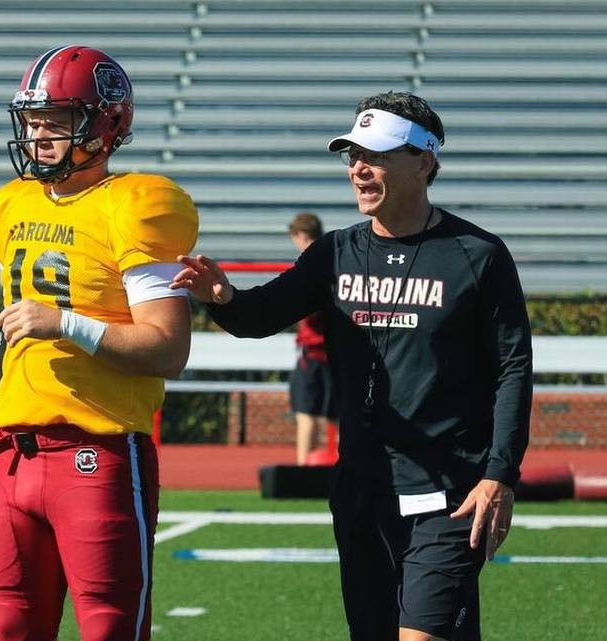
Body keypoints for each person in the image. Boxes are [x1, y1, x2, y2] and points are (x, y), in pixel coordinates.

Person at [172, 92, 532, 641]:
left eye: (379, 154)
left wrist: (499, 474)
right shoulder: (335, 252)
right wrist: (222, 297)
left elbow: (513, 369)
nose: (360, 168)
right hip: (362, 488)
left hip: (450, 495)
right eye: (353, 156)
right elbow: (261, 314)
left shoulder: (478, 255)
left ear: (425, 161)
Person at [0, 45, 199, 641]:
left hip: (99, 452)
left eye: (56, 121)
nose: (39, 134)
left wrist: (68, 323)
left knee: (107, 627)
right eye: (33, 120)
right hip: (12, 452)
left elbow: (167, 346)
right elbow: (13, 339)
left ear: (104, 125)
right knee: (6, 625)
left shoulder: (138, 203)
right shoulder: (12, 203)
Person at [286, 212, 337, 464]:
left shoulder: (310, 263)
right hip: (335, 353)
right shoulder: (334, 258)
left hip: (314, 353)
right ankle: (349, 470)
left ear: (300, 235)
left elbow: (303, 308)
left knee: (306, 414)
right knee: (339, 417)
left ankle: (302, 469)